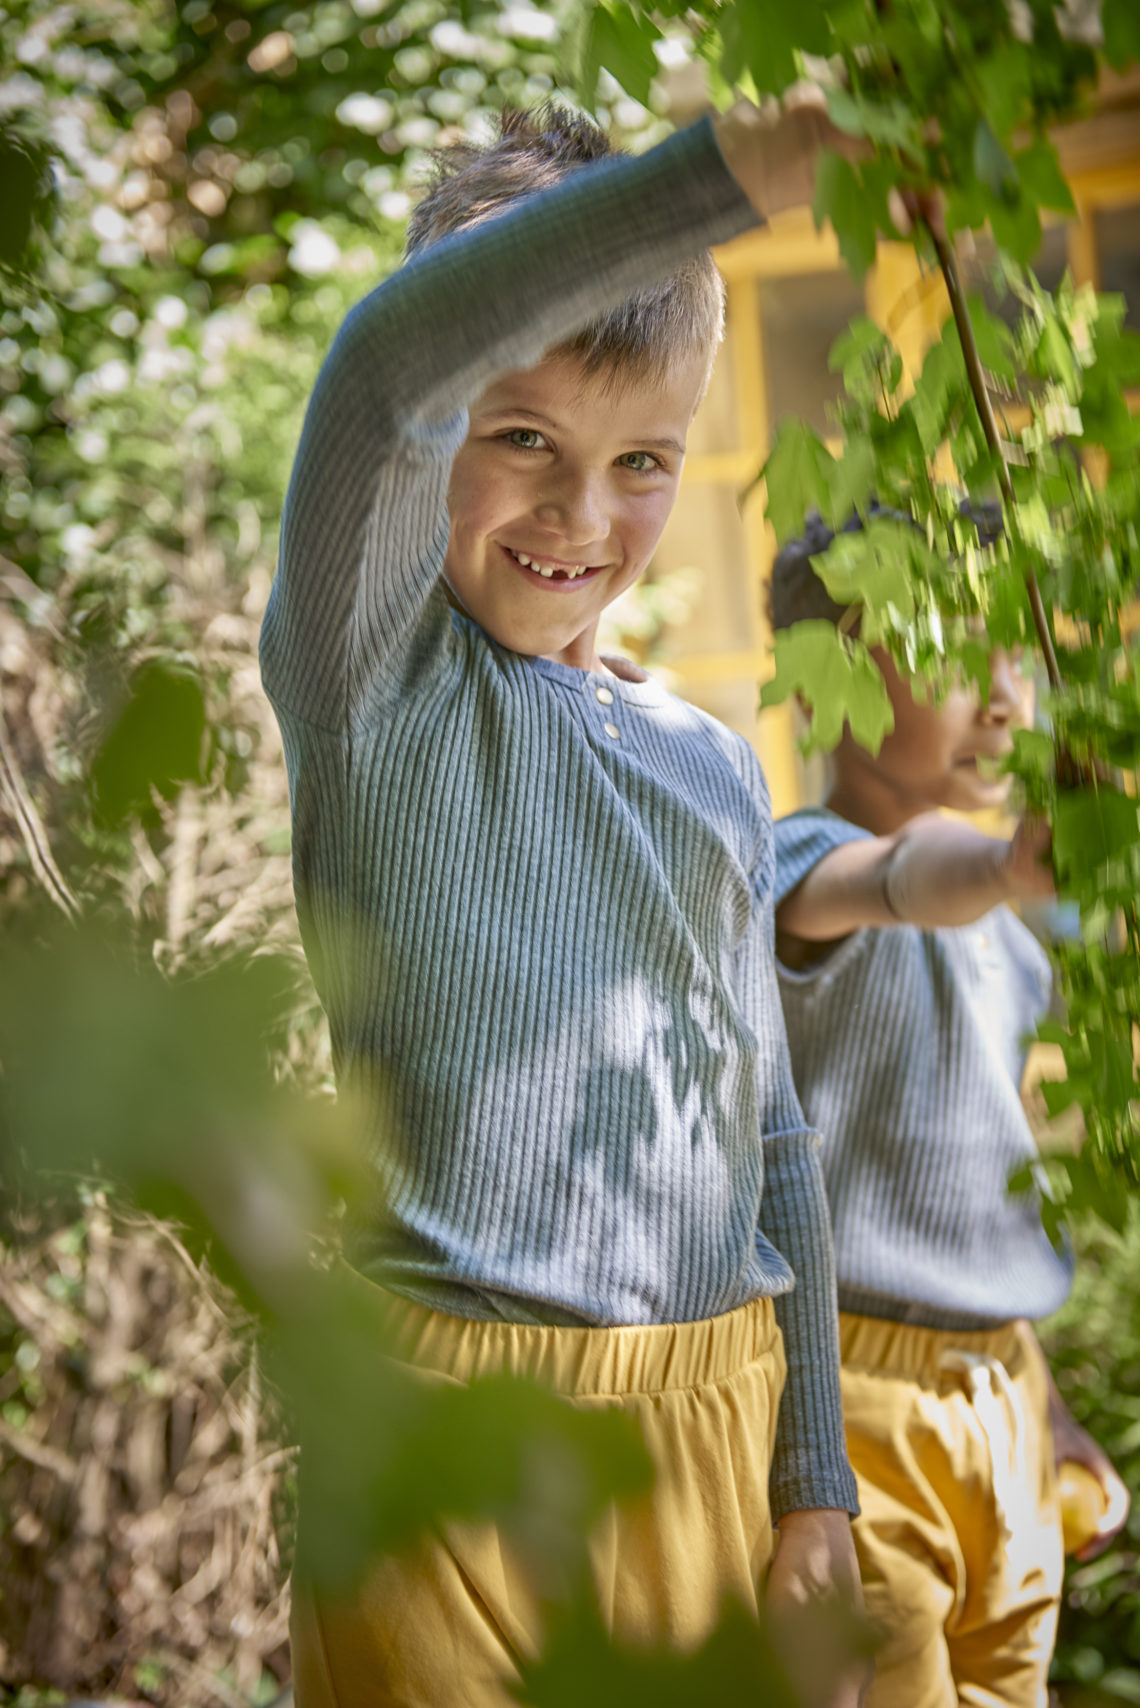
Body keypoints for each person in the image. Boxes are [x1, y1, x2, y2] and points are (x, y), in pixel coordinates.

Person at [261, 97, 867, 1708]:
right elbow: (390, 369)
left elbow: (776, 1140)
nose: (580, 516)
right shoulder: (366, 681)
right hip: (447, 1445)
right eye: (522, 436)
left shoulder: (714, 769)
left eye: (644, 462)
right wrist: (720, 184)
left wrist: (814, 1473)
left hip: (716, 1429)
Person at [768, 510, 1130, 1708]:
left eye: (1013, 655)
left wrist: (1044, 1400)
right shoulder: (801, 865)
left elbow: (982, 1197)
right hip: (854, 1411)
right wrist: (994, 868)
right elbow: (892, 878)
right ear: (819, 693)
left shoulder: (1011, 944)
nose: (1001, 694)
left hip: (1000, 1397)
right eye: (944, 649)